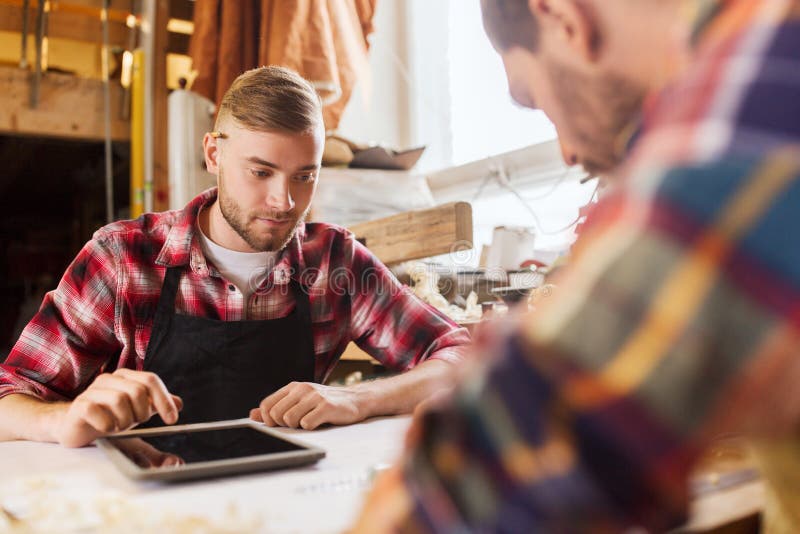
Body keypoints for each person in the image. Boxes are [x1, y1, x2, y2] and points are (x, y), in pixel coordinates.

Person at [354, 0, 800, 531]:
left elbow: (529, 453)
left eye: (533, 97)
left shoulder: (769, 61)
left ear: (564, 18)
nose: (565, 151)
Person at [0, 66, 470, 448]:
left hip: (287, 505)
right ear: (213, 154)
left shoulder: (334, 262)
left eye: (304, 176)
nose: (284, 200)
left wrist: (359, 400)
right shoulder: (122, 258)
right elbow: (9, 397)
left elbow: (462, 357)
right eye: (261, 172)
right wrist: (62, 420)